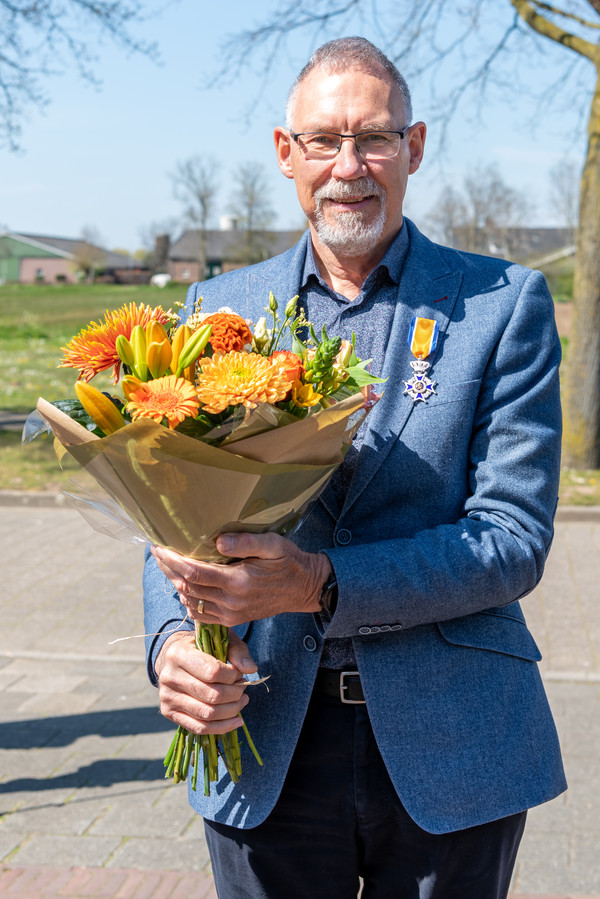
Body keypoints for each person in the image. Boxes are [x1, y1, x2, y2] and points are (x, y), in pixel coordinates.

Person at [143, 36, 566, 899]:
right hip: (263, 735)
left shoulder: (502, 304)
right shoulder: (212, 310)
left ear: (413, 148)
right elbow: (169, 517)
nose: (350, 167)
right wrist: (174, 645)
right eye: (324, 140)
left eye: (374, 138)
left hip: (454, 740)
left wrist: (320, 581)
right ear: (284, 154)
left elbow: (513, 539)